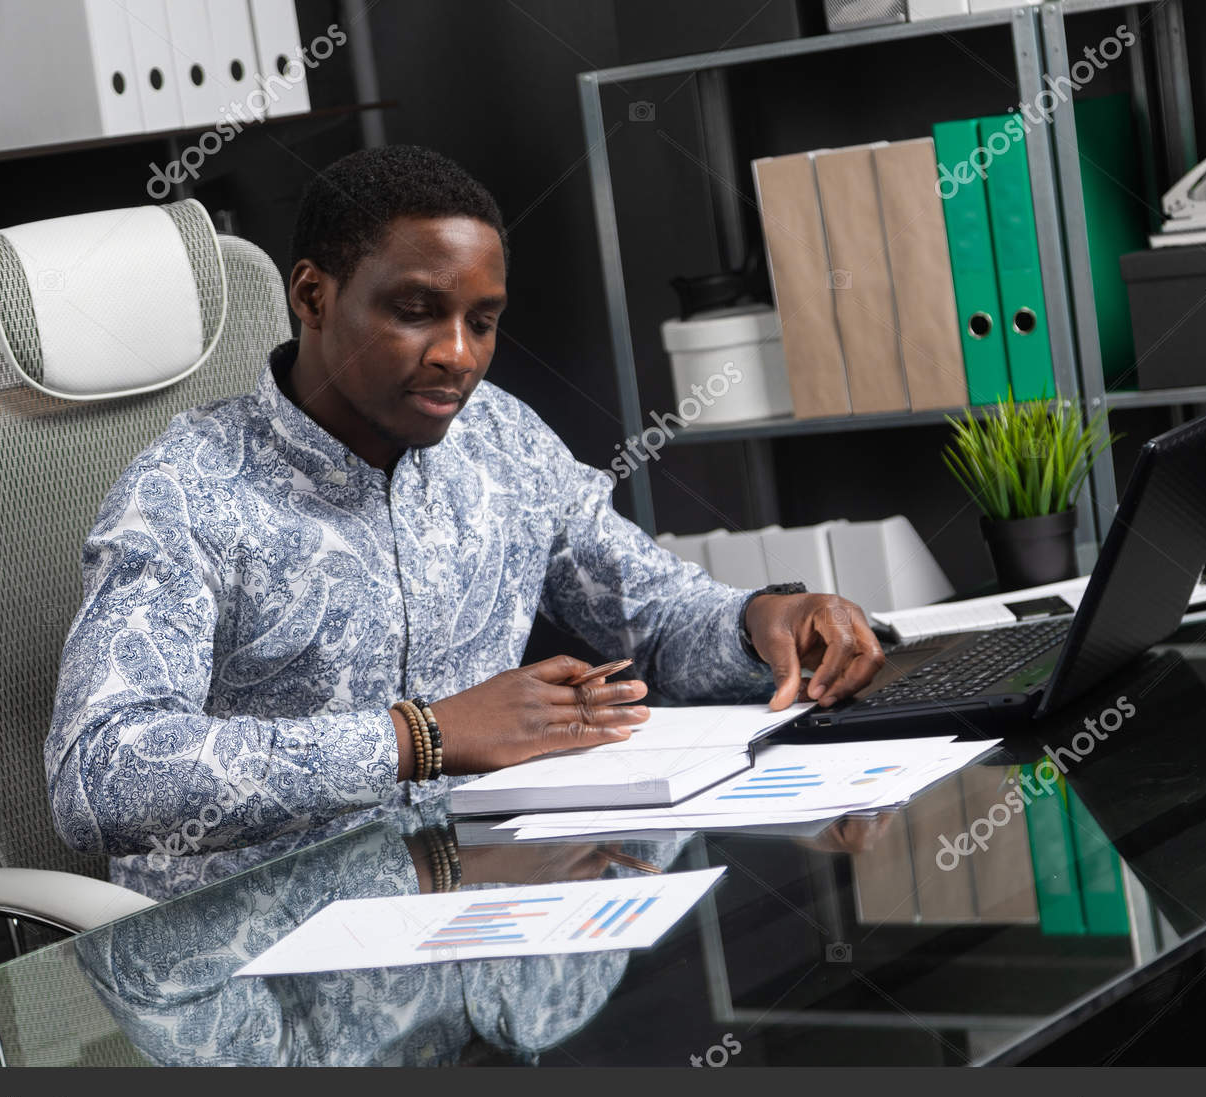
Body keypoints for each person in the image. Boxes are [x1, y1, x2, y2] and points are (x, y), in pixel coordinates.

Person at [44, 145, 885, 899]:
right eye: (416, 310)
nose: (460, 354)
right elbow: (102, 774)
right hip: (262, 981)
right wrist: (422, 738)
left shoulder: (502, 437)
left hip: (491, 924)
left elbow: (655, 617)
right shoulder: (186, 491)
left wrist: (759, 619)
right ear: (312, 294)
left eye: (482, 322)